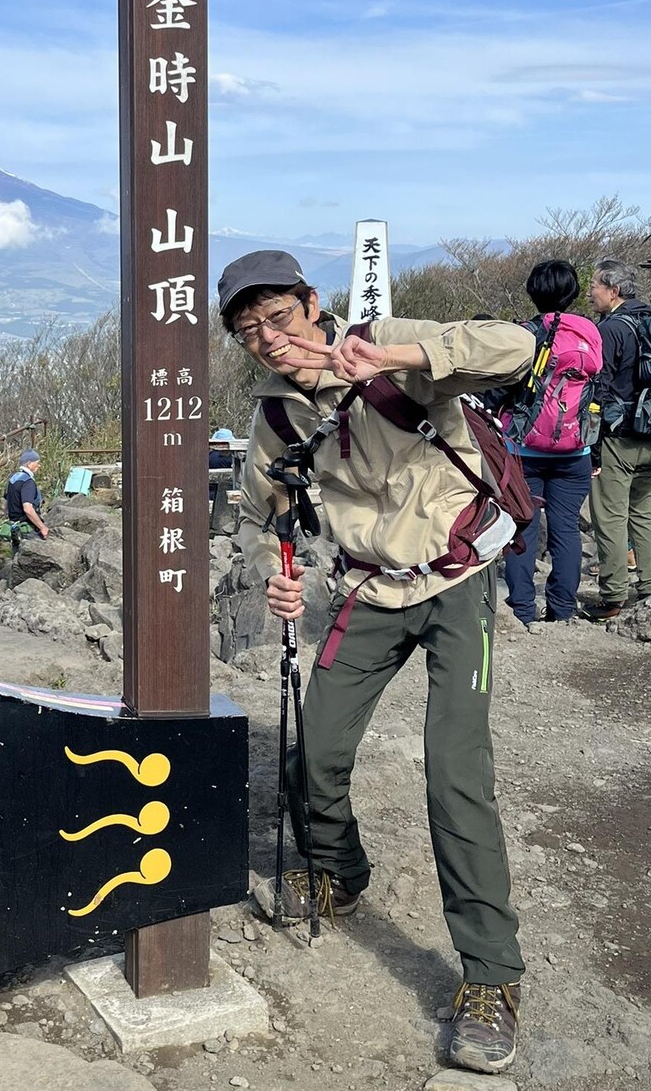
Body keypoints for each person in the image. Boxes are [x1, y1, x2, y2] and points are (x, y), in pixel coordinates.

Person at [219, 248, 534, 1076]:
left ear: (311, 303)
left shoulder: (388, 344)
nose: (269, 338)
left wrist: (396, 355)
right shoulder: (277, 419)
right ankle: (339, 871)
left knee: (454, 767)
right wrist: (275, 573)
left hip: (459, 578)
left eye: (279, 317)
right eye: (250, 331)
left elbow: (515, 347)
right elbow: (259, 519)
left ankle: (490, 978)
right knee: (314, 750)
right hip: (369, 588)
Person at [501, 260, 602, 631]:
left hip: (523, 450)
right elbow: (597, 390)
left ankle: (523, 610)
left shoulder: (525, 333)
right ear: (573, 293)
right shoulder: (590, 332)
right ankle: (562, 609)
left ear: (532, 292)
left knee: (521, 529)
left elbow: (503, 389)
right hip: (576, 450)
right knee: (566, 530)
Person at [586, 259, 651, 618]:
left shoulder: (611, 329)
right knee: (644, 512)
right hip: (650, 433)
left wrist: (592, 446)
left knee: (609, 515)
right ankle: (649, 588)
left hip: (619, 435)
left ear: (613, 290)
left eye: (595, 285)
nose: (590, 291)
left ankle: (613, 596)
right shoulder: (648, 319)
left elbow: (601, 387)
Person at [3, 448, 48, 548]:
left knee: (16, 558)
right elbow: (28, 508)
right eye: (37, 462)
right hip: (26, 528)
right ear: (29, 463)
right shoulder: (28, 482)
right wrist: (42, 527)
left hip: (14, 528)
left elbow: (6, 503)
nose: (39, 465)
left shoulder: (12, 478)